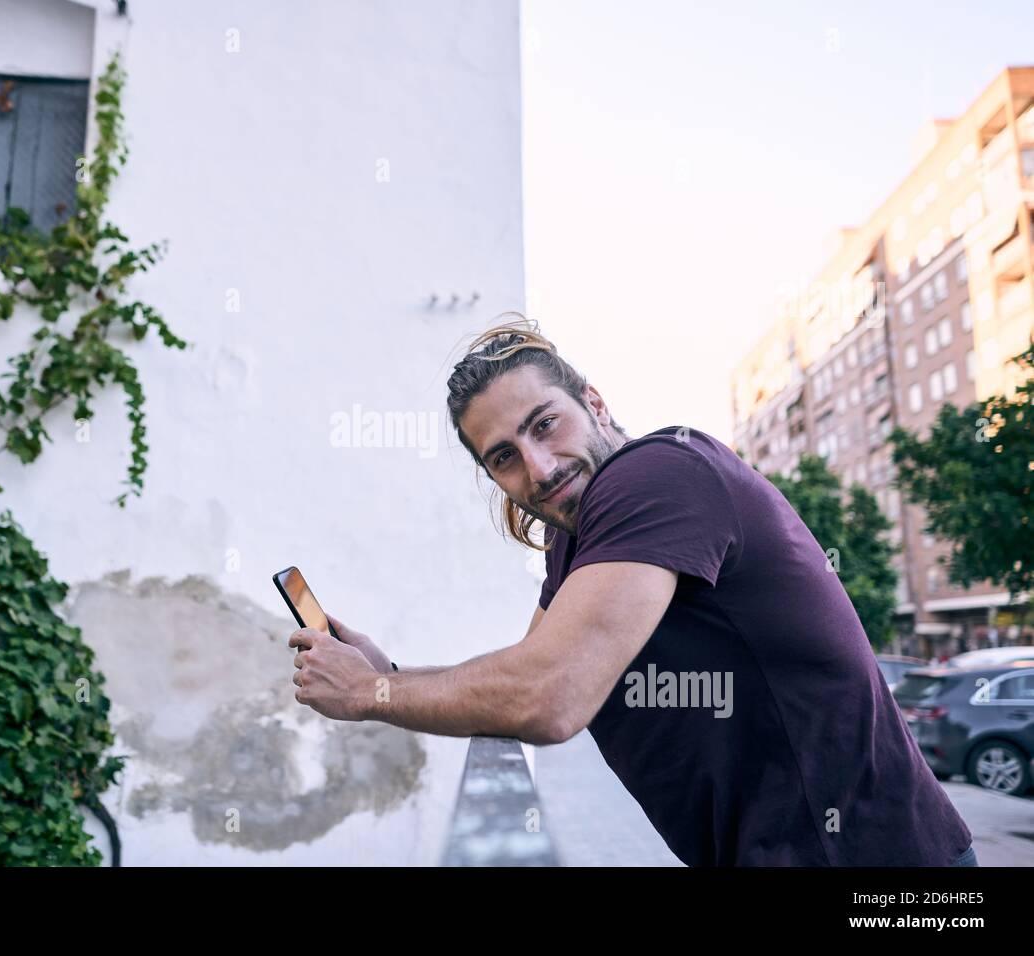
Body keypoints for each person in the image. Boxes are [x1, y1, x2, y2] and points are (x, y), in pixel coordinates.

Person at [289, 313, 975, 866]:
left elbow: (548, 697)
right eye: (504, 457)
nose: (539, 468)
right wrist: (391, 673)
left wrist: (369, 694)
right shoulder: (576, 533)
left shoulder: (658, 477)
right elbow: (526, 670)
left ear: (594, 402)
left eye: (544, 424)